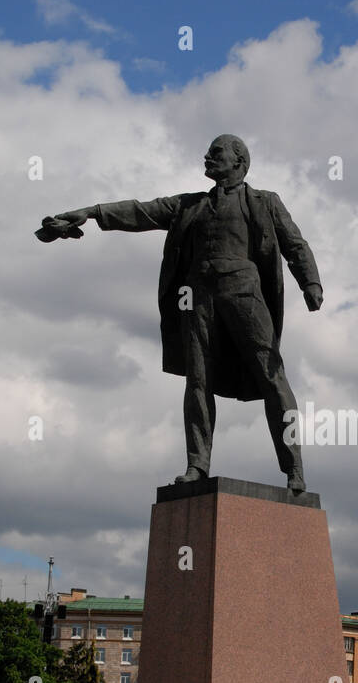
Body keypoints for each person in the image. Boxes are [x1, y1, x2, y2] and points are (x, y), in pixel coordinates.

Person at [38, 135, 324, 494]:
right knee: (198, 382)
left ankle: (294, 468)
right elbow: (141, 211)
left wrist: (310, 282)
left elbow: (295, 244)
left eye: (216, 153)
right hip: (196, 297)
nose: (207, 157)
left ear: (240, 162)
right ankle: (197, 465)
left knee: (273, 379)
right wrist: (92, 213)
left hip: (245, 295)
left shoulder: (264, 202)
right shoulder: (189, 205)